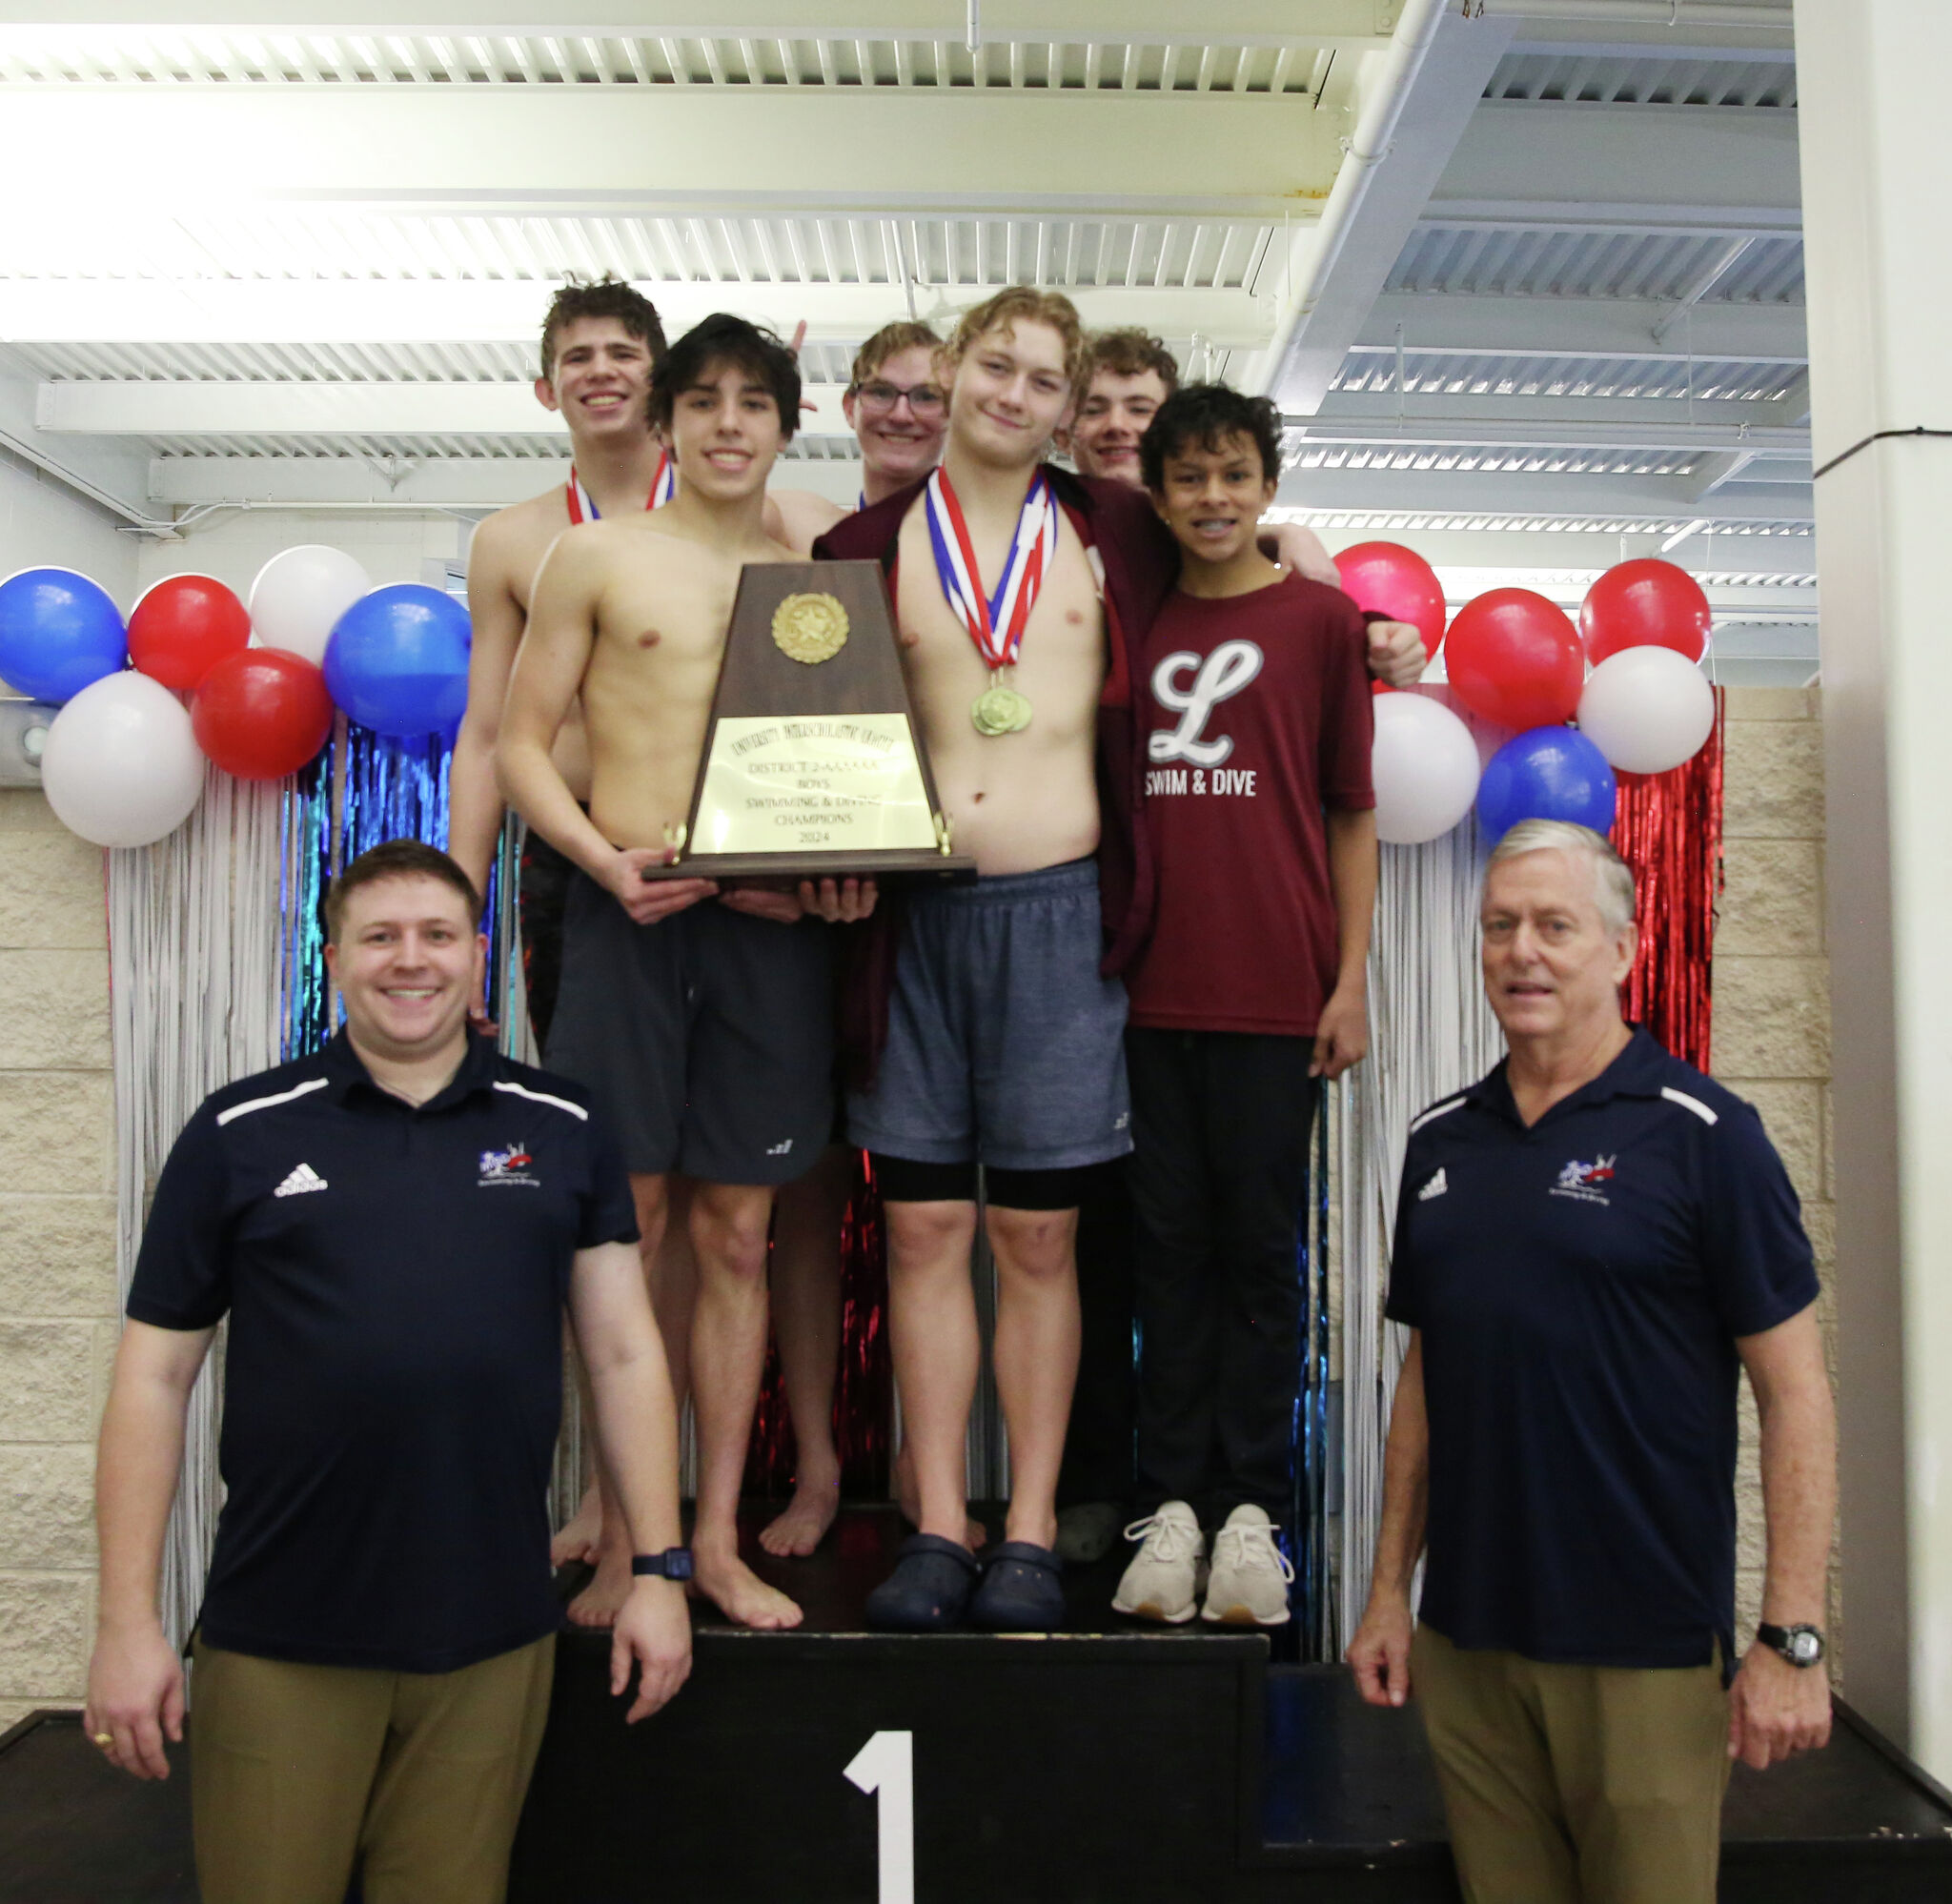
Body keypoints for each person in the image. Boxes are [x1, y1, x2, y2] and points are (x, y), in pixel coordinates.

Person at [83, 841, 692, 1904]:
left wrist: (656, 1573)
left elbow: (624, 1351)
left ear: (477, 955)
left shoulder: (563, 1126)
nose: (409, 961)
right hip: (283, 1636)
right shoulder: (239, 1132)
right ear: (334, 957)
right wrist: (127, 1624)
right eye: (379, 937)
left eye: (436, 935)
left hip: (492, 1640)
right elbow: (152, 1381)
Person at [1347, 820, 1836, 1904]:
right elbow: (1425, 1380)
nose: (1522, 952)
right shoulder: (1440, 1146)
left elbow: (1794, 1392)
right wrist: (1387, 1592)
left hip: (1642, 1648)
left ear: (1619, 951)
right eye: (1499, 928)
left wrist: (1788, 1638)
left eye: (1554, 927)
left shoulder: (1704, 1135)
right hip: (1467, 1645)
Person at [814, 286, 1190, 1631]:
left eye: (1043, 380)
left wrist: (1375, 624)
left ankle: (1028, 1524)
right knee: (921, 1225)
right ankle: (935, 1519)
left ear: (1067, 406)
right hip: (911, 925)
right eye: (995, 364)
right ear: (955, 370)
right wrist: (824, 849)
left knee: (1039, 1236)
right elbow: (816, 740)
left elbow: (1263, 558)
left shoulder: (1116, 537)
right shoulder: (860, 543)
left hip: (1062, 918)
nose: (1012, 394)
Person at [499, 314, 874, 1632]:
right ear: (666, 422)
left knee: (735, 1234)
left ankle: (714, 1540)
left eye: (753, 402)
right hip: (627, 919)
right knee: (627, 1232)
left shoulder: (816, 577)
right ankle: (631, 1539)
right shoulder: (595, 556)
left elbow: (857, 775)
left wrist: (842, 875)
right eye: (701, 400)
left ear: (786, 423)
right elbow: (519, 743)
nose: (727, 423)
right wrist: (602, 863)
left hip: (767, 935)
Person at [1111, 385, 1376, 1629]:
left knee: (1262, 1254)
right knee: (1168, 1255)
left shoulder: (1322, 621)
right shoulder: (1133, 613)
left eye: (1235, 475)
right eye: (1190, 478)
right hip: (1151, 992)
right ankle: (1168, 1506)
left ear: (1267, 487)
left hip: (1278, 991)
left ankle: (1254, 1511)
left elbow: (1351, 810)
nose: (1213, 498)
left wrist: (1351, 977)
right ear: (1156, 495)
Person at [769, 318, 949, 557]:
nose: (901, 415)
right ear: (849, 409)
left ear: (952, 414)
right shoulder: (802, 528)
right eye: (881, 393)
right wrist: (753, 417)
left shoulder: (988, 536)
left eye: (926, 397)